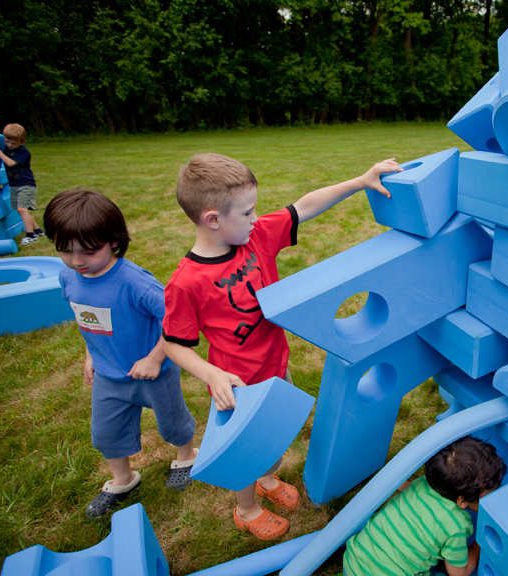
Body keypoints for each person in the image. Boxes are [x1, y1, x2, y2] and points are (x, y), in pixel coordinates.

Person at [162, 152, 401, 540]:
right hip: (238, 388)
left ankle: (267, 480)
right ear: (212, 219)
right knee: (246, 451)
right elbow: (174, 345)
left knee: (276, 436)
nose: (256, 218)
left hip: (277, 364)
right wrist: (213, 375)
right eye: (247, 212)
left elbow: (303, 206)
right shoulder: (186, 283)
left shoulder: (254, 238)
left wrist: (360, 180)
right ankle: (246, 507)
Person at [43, 189, 198, 519]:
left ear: (114, 241)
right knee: (105, 434)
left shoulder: (136, 283)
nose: (77, 260)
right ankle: (123, 479)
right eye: (65, 250)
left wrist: (156, 358)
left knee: (173, 426)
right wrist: (90, 354)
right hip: (108, 375)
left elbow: (177, 319)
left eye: (88, 250)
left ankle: (187, 455)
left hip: (154, 373)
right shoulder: (68, 277)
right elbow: (87, 320)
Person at [341, 436, 507, 576]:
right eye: (490, 492)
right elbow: (459, 572)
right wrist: (479, 543)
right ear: (462, 501)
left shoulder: (423, 484)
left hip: (352, 562)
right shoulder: (456, 526)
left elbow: (406, 487)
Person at [0, 124, 44, 245]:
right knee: (21, 211)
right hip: (15, 184)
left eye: (14, 143)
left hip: (25, 184)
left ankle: (31, 236)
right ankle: (38, 230)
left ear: (22, 141)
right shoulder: (7, 148)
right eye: (7, 142)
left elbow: (10, 163)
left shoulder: (23, 152)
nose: (10, 145)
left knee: (22, 209)